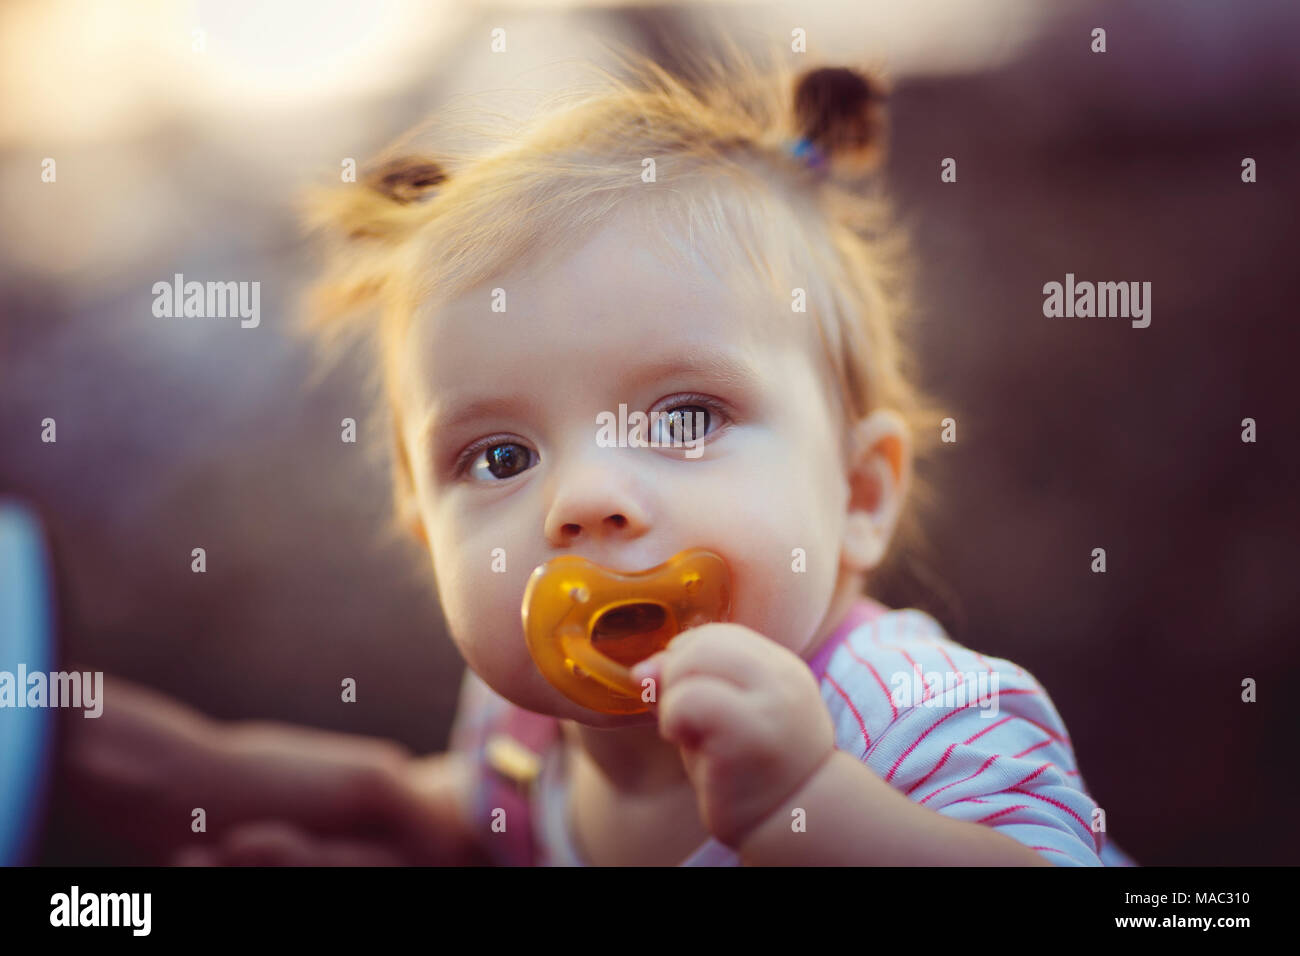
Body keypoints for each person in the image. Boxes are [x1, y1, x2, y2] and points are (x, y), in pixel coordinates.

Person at [293, 41, 1137, 866]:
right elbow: (496, 820)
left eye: (687, 419)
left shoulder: (912, 713)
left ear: (858, 493)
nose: (584, 499)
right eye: (502, 459)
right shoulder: (521, 736)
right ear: (424, 533)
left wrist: (805, 806)